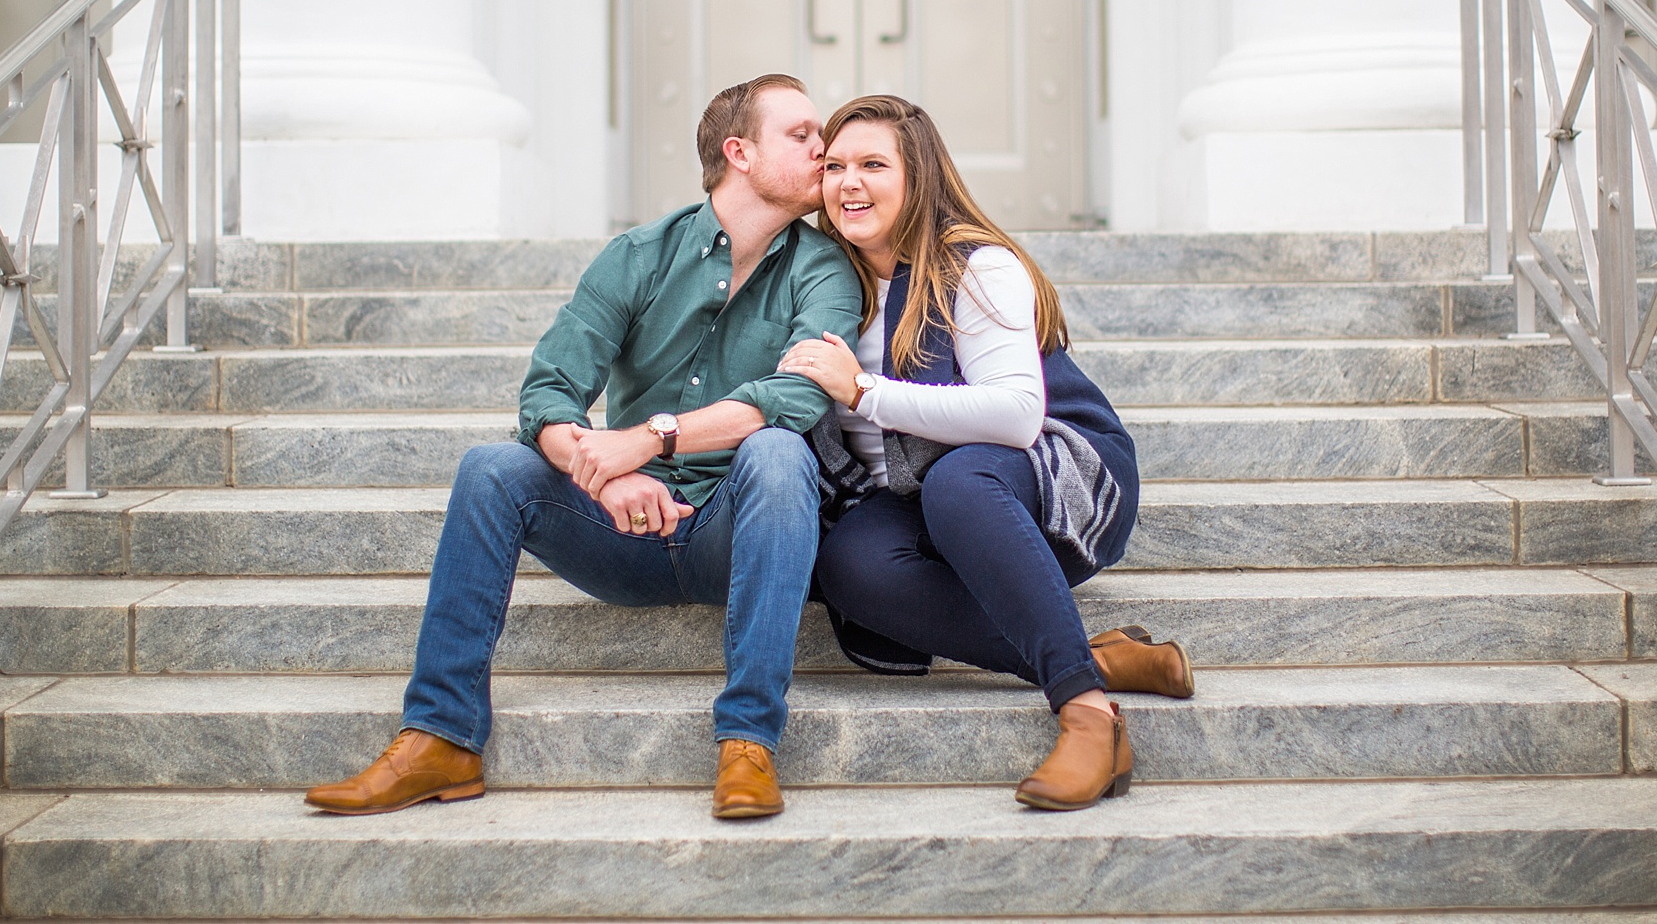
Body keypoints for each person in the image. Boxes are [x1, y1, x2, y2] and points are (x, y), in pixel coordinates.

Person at [306, 74, 863, 821]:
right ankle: (441, 737)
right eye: (802, 135)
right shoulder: (638, 256)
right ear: (740, 152)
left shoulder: (825, 270)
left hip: (736, 529)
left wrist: (648, 439)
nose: (825, 148)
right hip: (623, 534)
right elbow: (547, 395)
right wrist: (602, 475)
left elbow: (797, 396)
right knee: (490, 469)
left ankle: (748, 742)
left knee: (780, 452)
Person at [776, 95, 1193, 812]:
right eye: (835, 166)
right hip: (916, 495)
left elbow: (1015, 415)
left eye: (873, 164)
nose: (849, 182)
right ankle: (1092, 656)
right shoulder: (824, 282)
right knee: (849, 562)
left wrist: (863, 391)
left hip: (1049, 478)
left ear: (919, 176)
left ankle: (1089, 717)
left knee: (960, 481)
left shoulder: (975, 266)